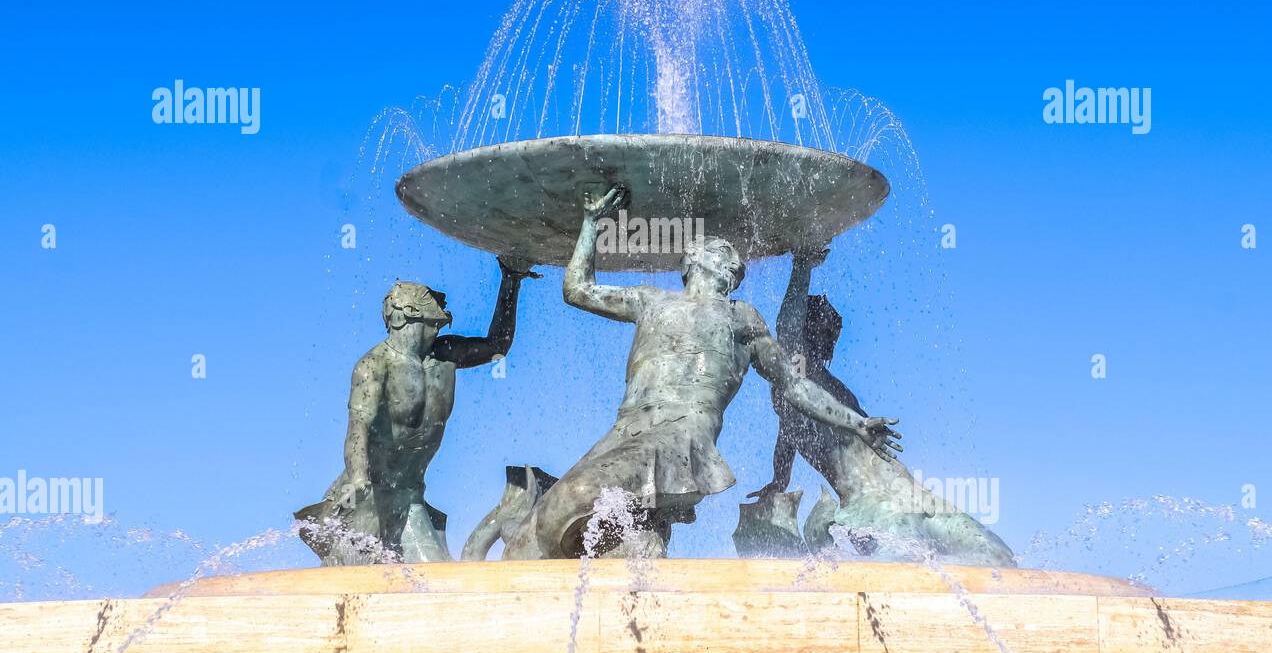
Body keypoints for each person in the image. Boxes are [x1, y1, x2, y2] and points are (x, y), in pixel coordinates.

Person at [502, 187, 902, 559]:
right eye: (727, 254)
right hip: (624, 432)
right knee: (525, 545)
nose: (738, 265)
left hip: (680, 436)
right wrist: (591, 224)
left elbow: (794, 385)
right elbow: (578, 290)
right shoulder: (649, 300)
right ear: (694, 258)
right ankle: (637, 554)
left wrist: (857, 423)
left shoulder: (741, 317)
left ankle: (639, 551)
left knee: (577, 495)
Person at [749, 245, 1015, 566]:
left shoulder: (826, 387)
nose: (829, 337)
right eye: (822, 327)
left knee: (998, 556)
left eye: (833, 331)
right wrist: (802, 264)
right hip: (873, 507)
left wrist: (780, 479)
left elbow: (788, 433)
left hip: (911, 493)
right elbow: (787, 330)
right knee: (905, 578)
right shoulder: (798, 374)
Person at [296, 258, 538, 564]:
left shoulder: (446, 354)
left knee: (434, 581)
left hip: (409, 499)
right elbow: (358, 429)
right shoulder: (374, 366)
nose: (442, 301)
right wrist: (358, 479)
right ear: (406, 313)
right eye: (429, 297)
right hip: (366, 500)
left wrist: (511, 280)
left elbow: (497, 345)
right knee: (358, 592)